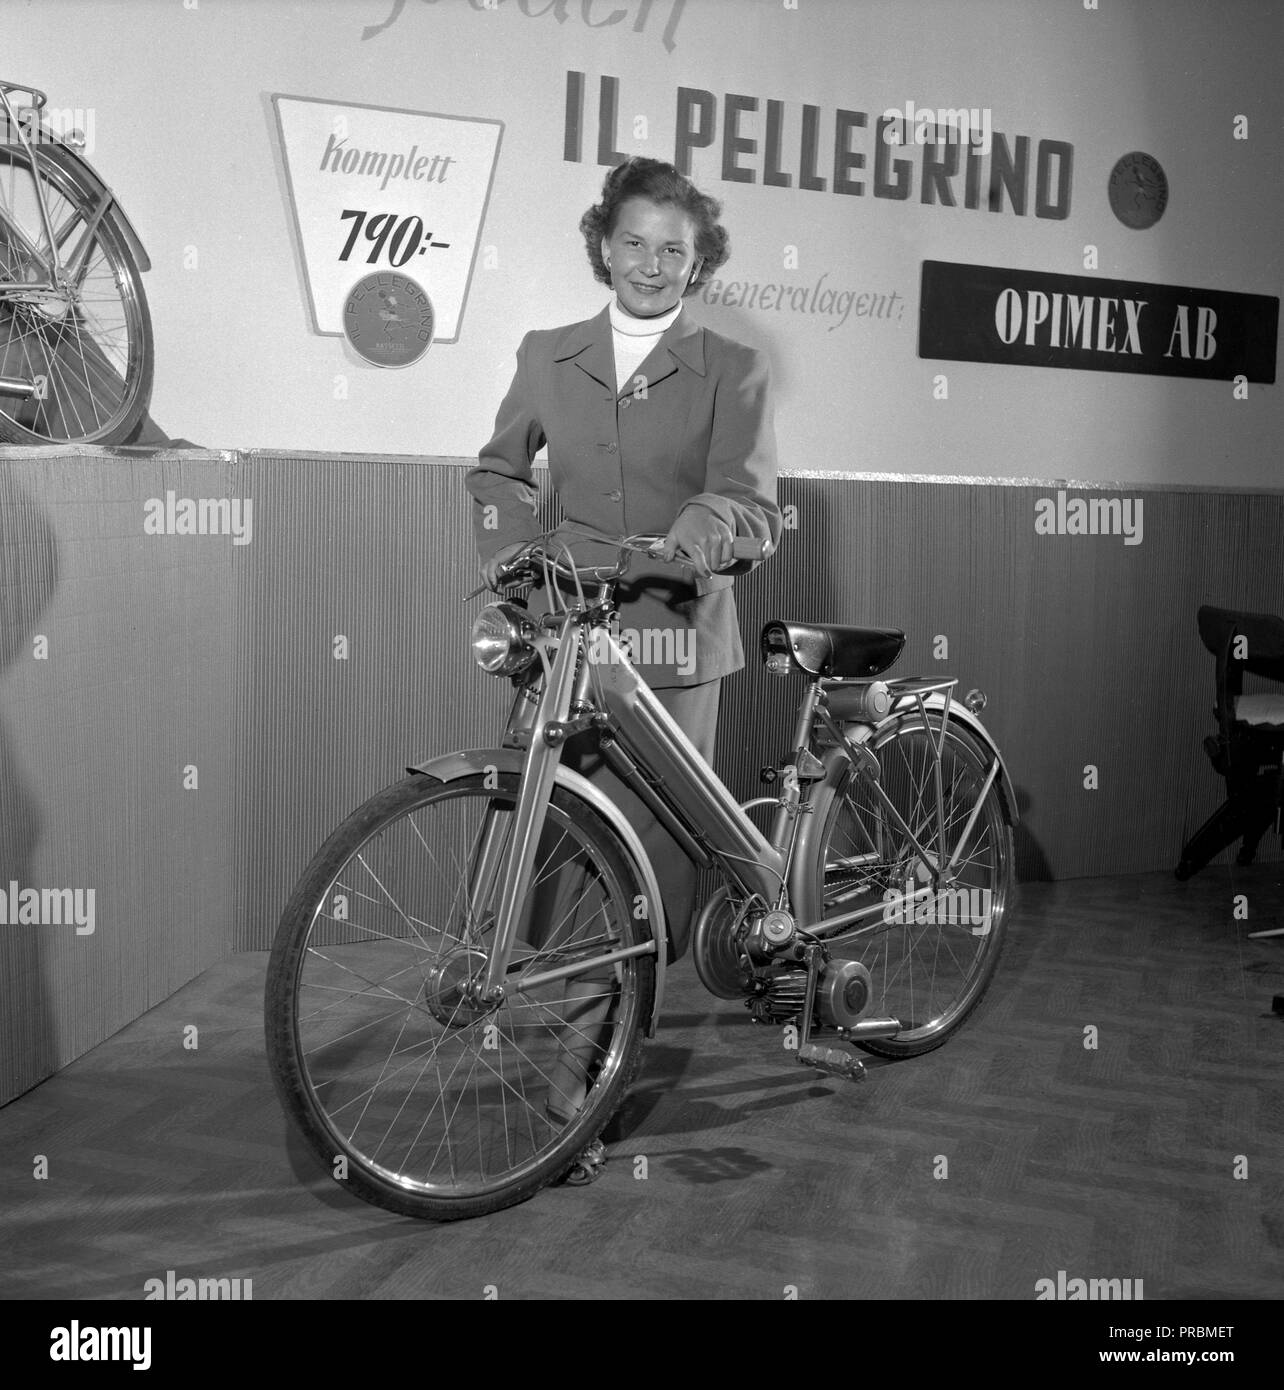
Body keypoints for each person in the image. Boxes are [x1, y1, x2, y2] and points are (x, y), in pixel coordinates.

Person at [466, 156, 780, 1127]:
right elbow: (497, 472)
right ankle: (563, 1023)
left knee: (639, 858)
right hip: (565, 633)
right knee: (556, 837)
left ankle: (590, 1072)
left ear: (699, 262)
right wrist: (514, 552)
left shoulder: (733, 367)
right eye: (634, 242)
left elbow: (752, 505)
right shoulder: (546, 354)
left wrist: (699, 530)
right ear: (603, 246)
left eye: (673, 250)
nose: (651, 263)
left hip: (671, 642)